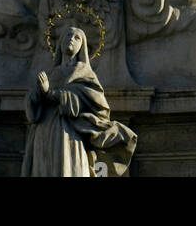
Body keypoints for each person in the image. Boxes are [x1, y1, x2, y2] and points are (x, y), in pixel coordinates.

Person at [22, 25, 136, 178]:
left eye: (77, 38)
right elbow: (33, 113)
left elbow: (89, 103)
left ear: (81, 47)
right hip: (45, 130)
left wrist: (50, 93)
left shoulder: (85, 73)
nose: (71, 39)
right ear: (61, 42)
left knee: (68, 169)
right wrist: (36, 96)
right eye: (68, 35)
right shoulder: (51, 74)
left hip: (69, 132)